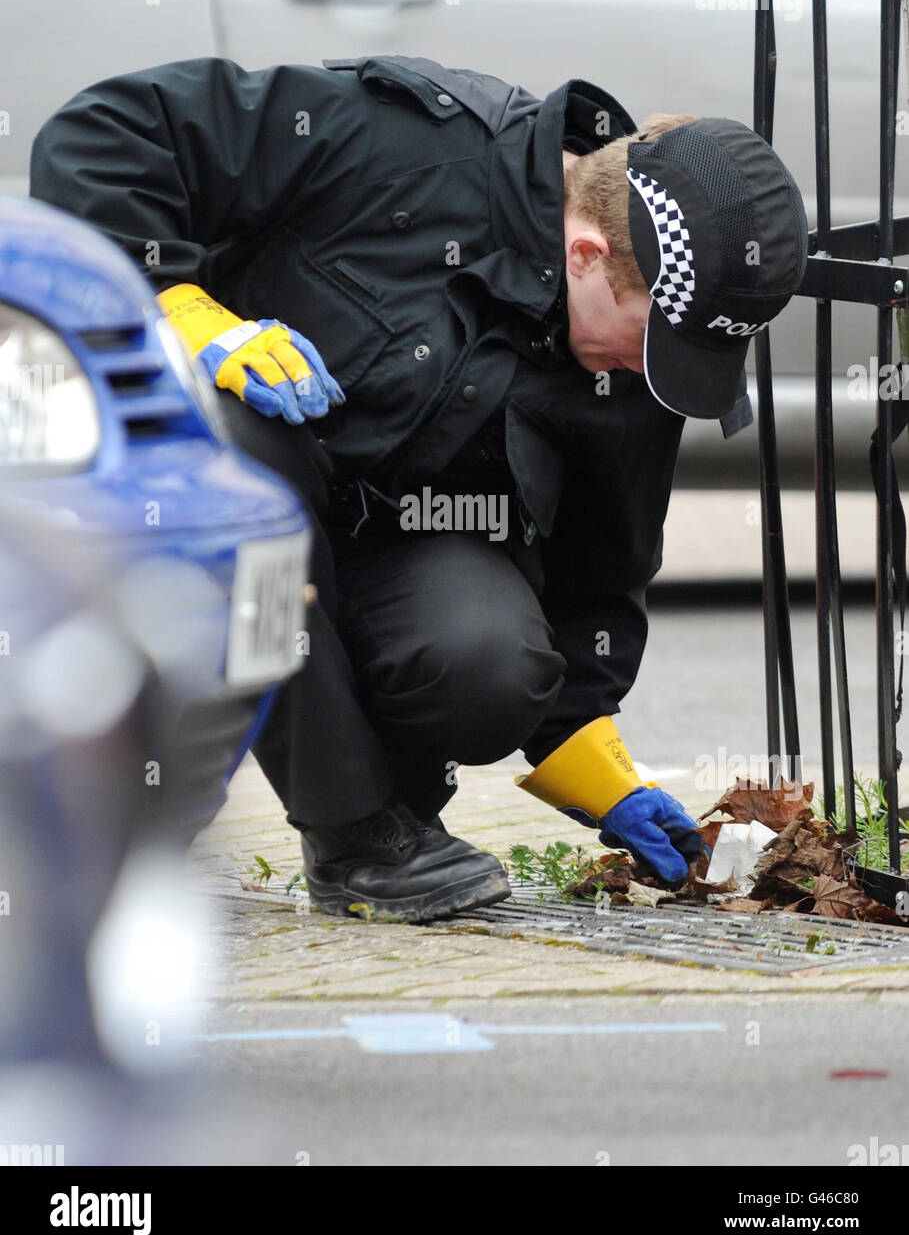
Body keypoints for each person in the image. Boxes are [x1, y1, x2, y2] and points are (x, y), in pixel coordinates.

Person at [30, 53, 808, 922]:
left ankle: (396, 816)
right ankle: (353, 833)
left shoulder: (630, 358)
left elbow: (603, 560)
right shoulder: (393, 141)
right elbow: (103, 135)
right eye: (649, 340)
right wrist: (180, 306)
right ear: (585, 252)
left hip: (391, 542)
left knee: (487, 668)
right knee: (248, 483)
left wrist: (597, 765)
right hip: (223, 498)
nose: (646, 368)